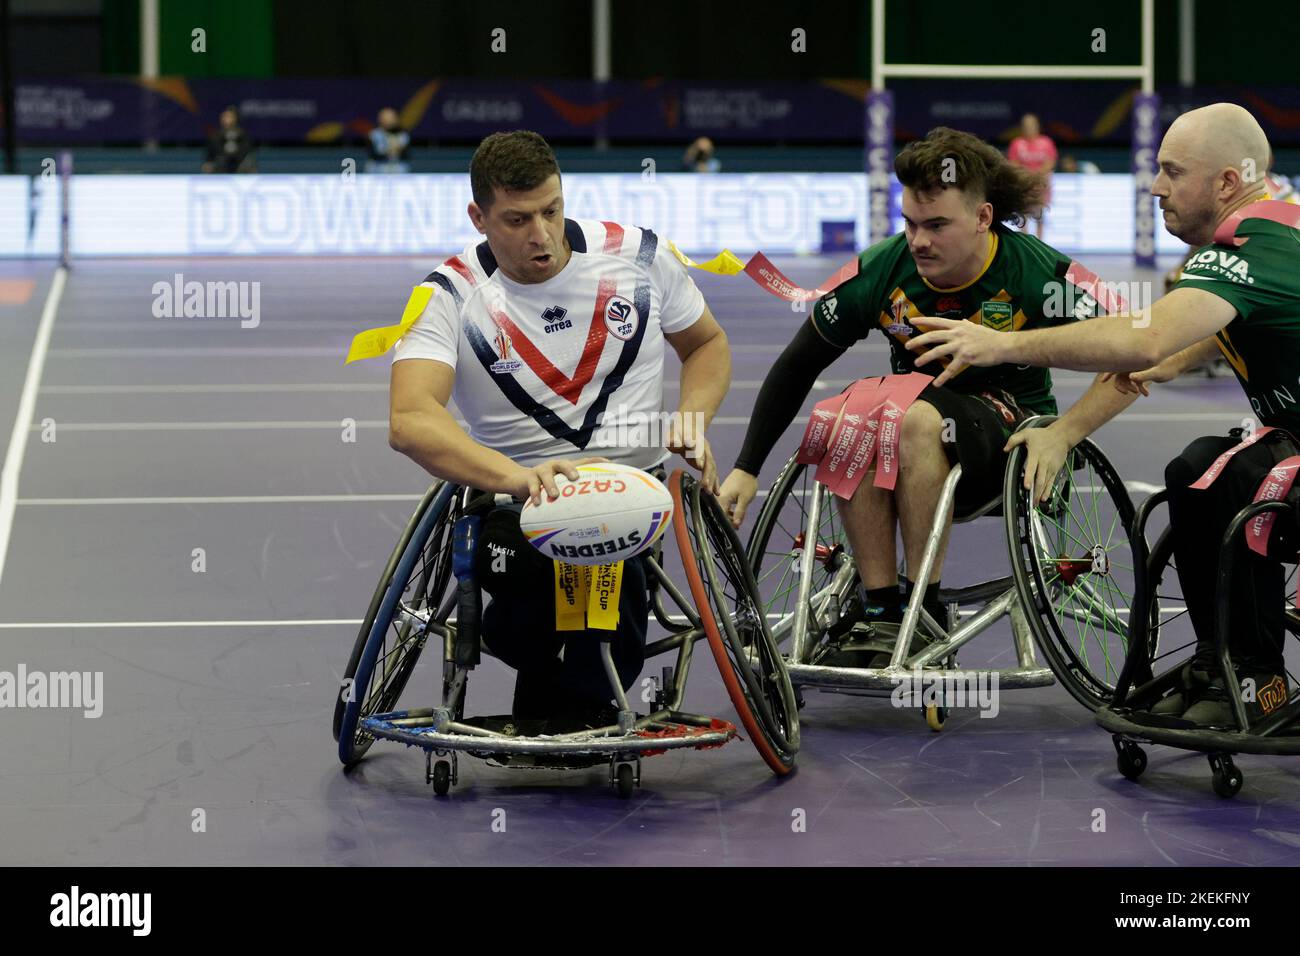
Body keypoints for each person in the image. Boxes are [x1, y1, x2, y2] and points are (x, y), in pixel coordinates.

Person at [907, 103, 1300, 727]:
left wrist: (1003, 343)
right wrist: (1183, 353)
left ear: (1228, 182)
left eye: (1172, 171)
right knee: (1200, 468)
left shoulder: (1248, 244)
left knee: (1234, 477)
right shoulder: (1281, 228)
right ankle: (1225, 664)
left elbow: (1142, 337)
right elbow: (1252, 316)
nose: (1156, 187)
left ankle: (1252, 679)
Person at [716, 126, 1137, 667]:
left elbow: (1135, 341)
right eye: (911, 224)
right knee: (852, 413)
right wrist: (747, 467)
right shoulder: (882, 270)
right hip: (905, 434)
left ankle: (925, 608)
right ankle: (882, 610)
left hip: (1009, 440)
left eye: (937, 225)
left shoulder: (1038, 272)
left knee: (909, 419)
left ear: (983, 218)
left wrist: (1064, 431)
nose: (919, 241)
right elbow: (797, 364)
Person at [389, 130, 730, 728]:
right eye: (517, 219)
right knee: (542, 573)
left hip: (633, 489)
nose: (540, 234)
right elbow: (411, 418)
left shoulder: (639, 256)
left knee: (601, 558)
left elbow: (706, 344)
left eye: (551, 210)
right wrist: (517, 479)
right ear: (479, 217)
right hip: (515, 496)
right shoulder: (449, 293)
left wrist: (691, 417)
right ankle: (573, 691)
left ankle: (571, 695)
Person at [1008, 114, 1057, 239]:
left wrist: (1036, 176)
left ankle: (1040, 244)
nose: (1029, 128)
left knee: (1039, 215)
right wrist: (1026, 177)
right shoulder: (1016, 143)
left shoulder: (1046, 142)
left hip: (1040, 187)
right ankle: (1024, 243)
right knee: (1022, 215)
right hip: (1023, 186)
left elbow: (1050, 162)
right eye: (1026, 125)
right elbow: (1013, 164)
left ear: (1037, 126)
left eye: (1031, 125)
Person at [201, 106, 255, 174]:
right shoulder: (215, 136)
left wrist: (234, 157)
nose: (226, 119)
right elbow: (210, 155)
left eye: (229, 117)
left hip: (239, 163)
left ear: (235, 118)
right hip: (220, 164)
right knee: (209, 166)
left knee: (249, 165)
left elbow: (246, 151)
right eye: (224, 117)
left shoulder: (242, 134)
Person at [367, 107, 410, 174]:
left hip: (397, 166)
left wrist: (398, 149)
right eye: (385, 118)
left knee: (401, 167)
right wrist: (388, 151)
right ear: (380, 119)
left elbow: (406, 155)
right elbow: (373, 154)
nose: (388, 120)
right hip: (378, 166)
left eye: (390, 118)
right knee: (372, 165)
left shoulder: (402, 134)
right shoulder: (374, 134)